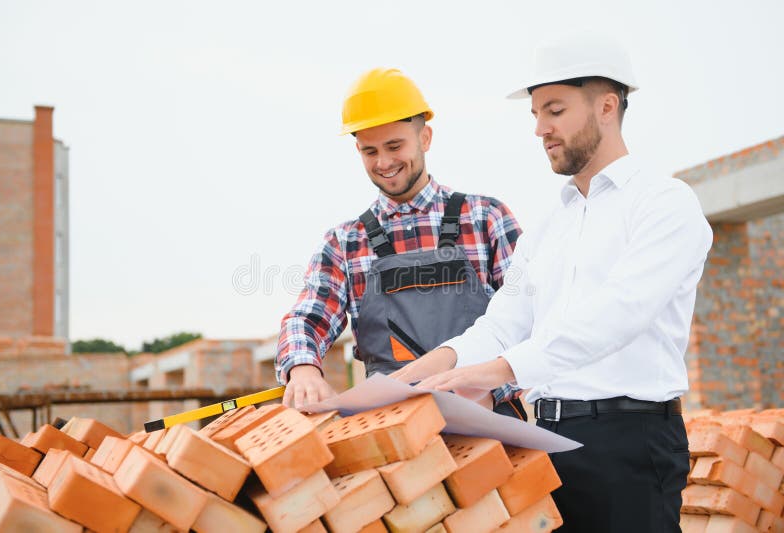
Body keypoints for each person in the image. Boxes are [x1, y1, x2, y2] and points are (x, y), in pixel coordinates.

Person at [391, 34, 713, 532]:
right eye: (536, 114)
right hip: (546, 441)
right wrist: (425, 371)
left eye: (555, 110)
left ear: (607, 106)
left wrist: (496, 371)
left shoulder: (664, 203)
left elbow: (618, 314)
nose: (540, 128)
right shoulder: (548, 226)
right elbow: (502, 324)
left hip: (630, 444)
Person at [276, 67, 524, 417]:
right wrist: (303, 368)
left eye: (395, 146)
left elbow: (529, 316)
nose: (384, 162)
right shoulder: (345, 243)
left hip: (490, 420)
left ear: (425, 138)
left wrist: (489, 385)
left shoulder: (486, 218)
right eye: (369, 151)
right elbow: (308, 317)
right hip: (392, 425)